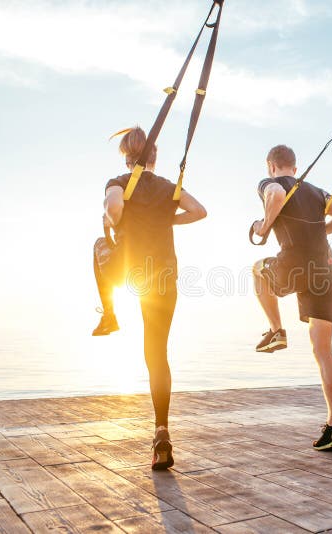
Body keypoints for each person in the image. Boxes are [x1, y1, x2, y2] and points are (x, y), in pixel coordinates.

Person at [92, 126, 207, 469]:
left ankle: (109, 313)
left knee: (98, 246)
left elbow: (113, 209)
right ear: (154, 157)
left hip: (130, 270)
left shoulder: (118, 182)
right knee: (157, 353)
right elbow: (200, 211)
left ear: (127, 157)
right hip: (164, 277)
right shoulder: (168, 187)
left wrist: (113, 219)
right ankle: (162, 431)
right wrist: (166, 218)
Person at [251, 144, 332, 451]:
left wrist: (263, 227)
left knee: (257, 270)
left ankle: (276, 331)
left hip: (295, 260)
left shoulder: (270, 183)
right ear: (294, 167)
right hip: (326, 266)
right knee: (323, 351)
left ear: (271, 166)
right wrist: (320, 231)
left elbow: (276, 196)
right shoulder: (316, 191)